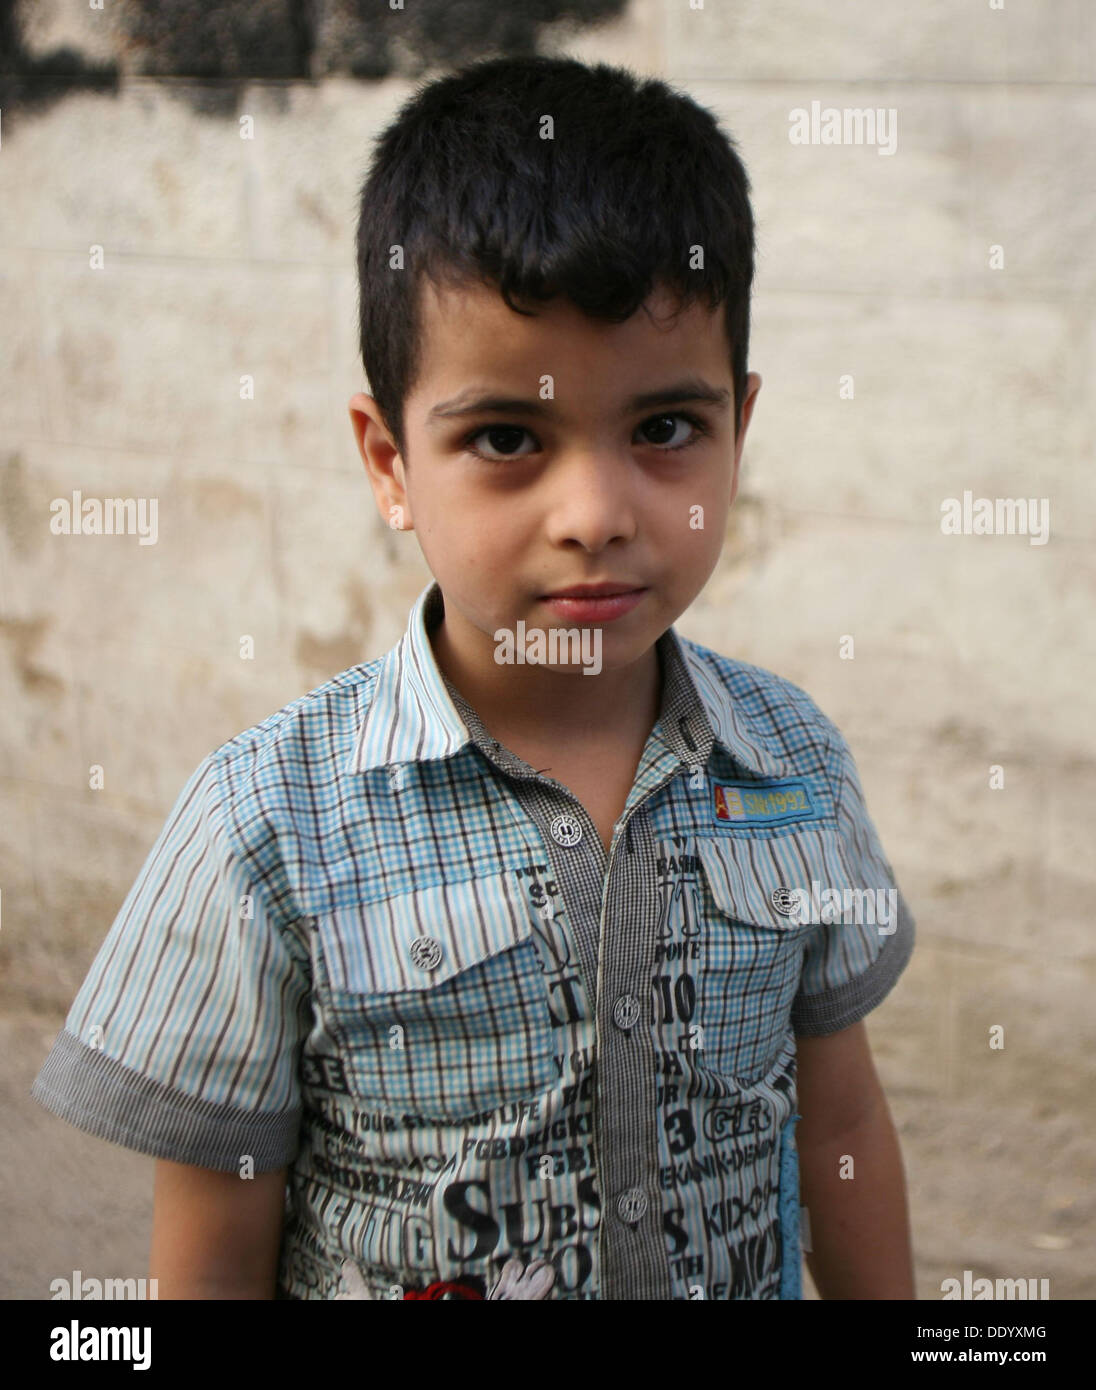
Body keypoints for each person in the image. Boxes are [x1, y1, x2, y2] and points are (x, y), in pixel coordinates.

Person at [31, 54, 916, 1300]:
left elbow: (839, 1127)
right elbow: (217, 1248)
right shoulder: (267, 825)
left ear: (739, 426)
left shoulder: (795, 762)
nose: (597, 513)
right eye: (507, 437)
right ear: (389, 461)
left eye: (665, 429)